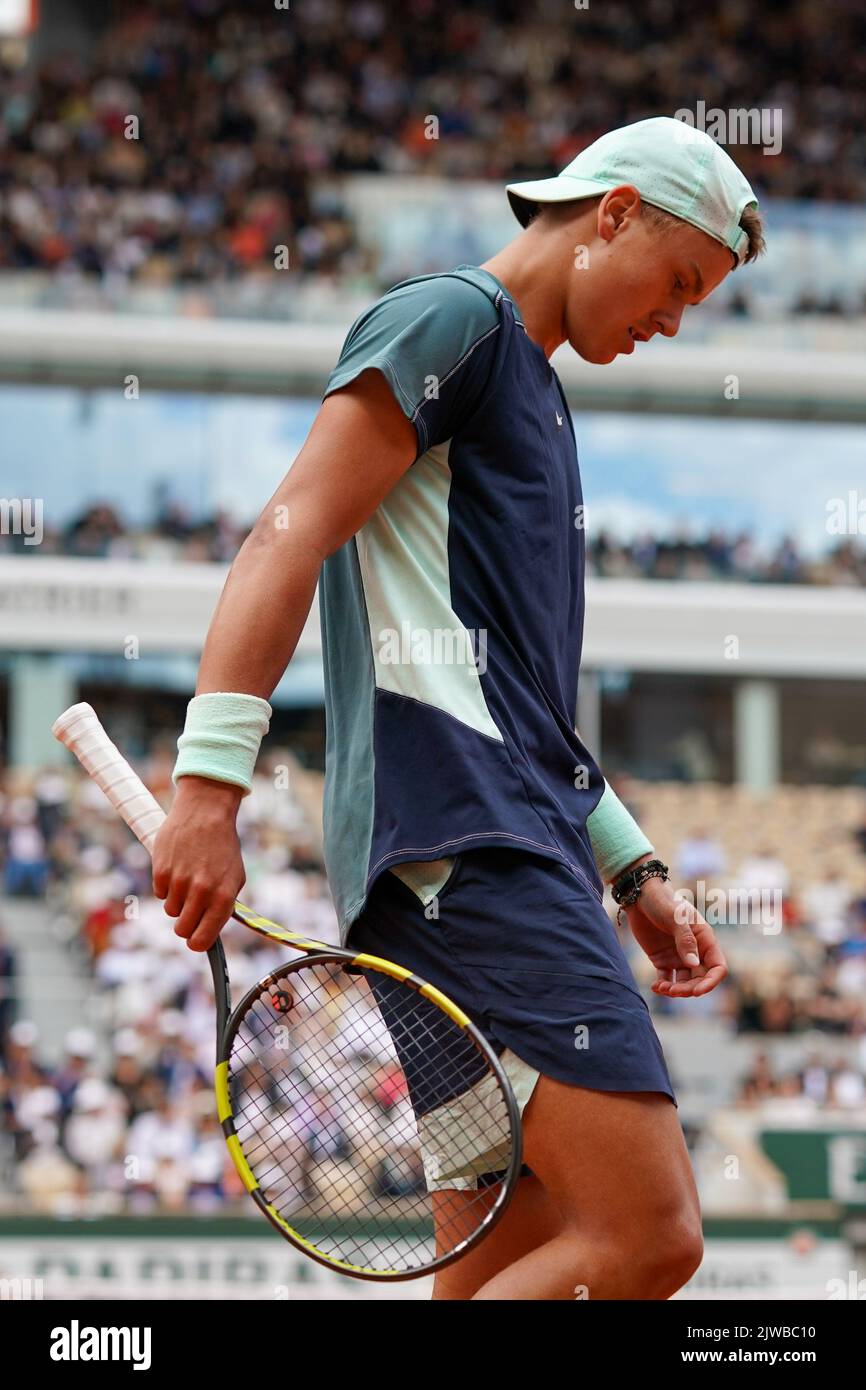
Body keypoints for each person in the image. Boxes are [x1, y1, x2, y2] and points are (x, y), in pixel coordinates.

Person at [152, 117, 761, 1300]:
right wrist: (208, 783)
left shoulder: (537, 393)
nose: (673, 319)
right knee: (649, 1236)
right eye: (677, 283)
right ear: (615, 212)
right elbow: (284, 537)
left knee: (512, 1258)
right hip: (467, 857)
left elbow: (521, 703)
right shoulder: (450, 323)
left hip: (484, 848)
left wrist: (632, 874)